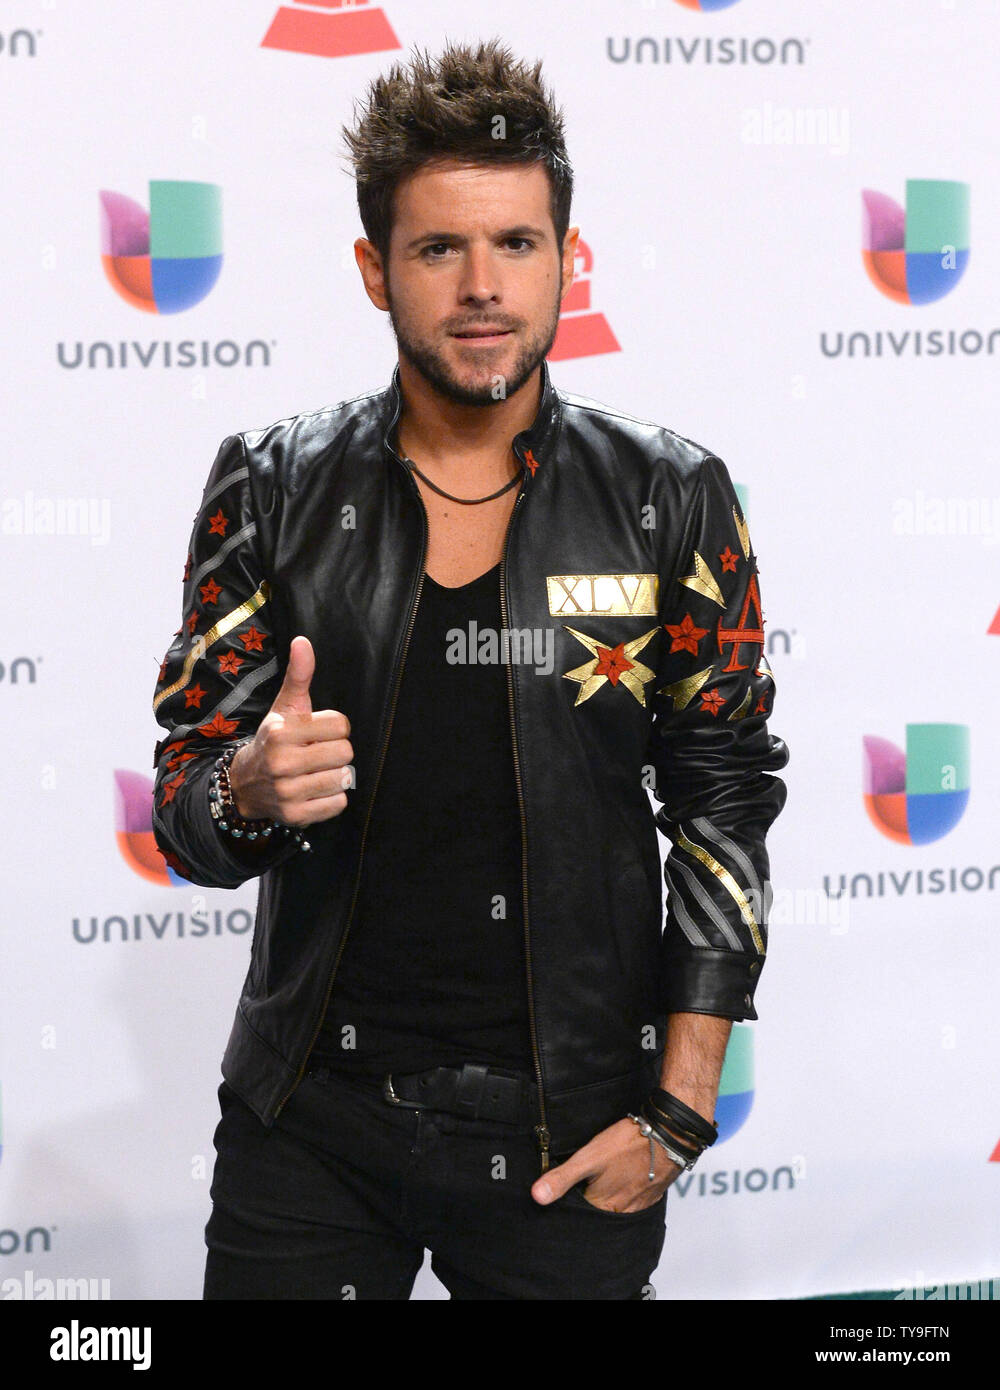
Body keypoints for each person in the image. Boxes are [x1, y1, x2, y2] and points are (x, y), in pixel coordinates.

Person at [151, 38, 789, 1301]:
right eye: (440, 248)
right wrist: (247, 793)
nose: (483, 286)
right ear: (374, 268)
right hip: (310, 1125)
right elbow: (186, 814)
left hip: (567, 1134)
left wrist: (676, 1109)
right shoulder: (271, 485)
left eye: (518, 243)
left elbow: (722, 799)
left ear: (567, 256)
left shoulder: (670, 495)